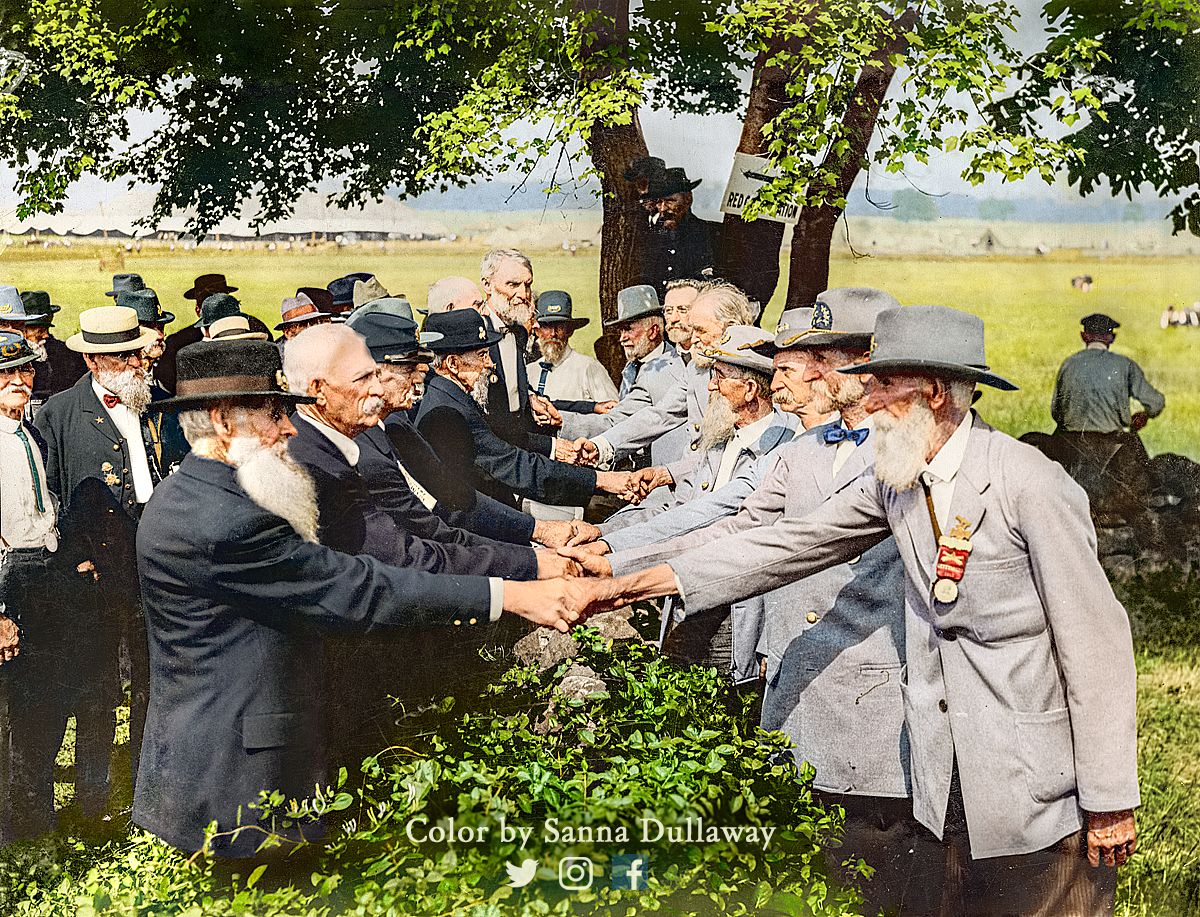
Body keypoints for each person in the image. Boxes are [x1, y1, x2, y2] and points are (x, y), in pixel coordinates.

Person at [565, 305, 1139, 915]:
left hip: (1037, 790)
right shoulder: (900, 480)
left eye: (884, 384)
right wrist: (626, 584)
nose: (866, 400)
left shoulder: (1031, 484)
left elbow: (1097, 648)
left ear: (936, 393)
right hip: (942, 780)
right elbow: (787, 543)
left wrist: (1108, 798)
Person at [133, 338, 578, 858]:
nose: (291, 430)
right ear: (223, 419)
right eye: (276, 414)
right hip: (241, 781)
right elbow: (360, 588)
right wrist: (511, 596)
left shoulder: (193, 493)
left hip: (217, 756)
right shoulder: (227, 520)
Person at [564, 290, 928, 914]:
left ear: (865, 364)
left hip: (873, 695)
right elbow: (736, 531)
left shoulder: (910, 452)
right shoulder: (800, 452)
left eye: (820, 357)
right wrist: (617, 561)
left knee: (880, 873)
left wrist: (621, 578)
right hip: (799, 684)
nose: (806, 371)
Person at [35, 305, 167, 817]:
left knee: (154, 680)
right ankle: (92, 802)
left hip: (155, 564)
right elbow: (46, 496)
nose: (135, 363)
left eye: (136, 352)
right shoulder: (59, 415)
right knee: (96, 686)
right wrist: (73, 560)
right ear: (92, 360)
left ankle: (146, 790)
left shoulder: (156, 404)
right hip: (93, 573)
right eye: (120, 356)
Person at [414, 309, 635, 510]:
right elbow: (513, 465)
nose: (491, 363)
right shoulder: (446, 413)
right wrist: (600, 480)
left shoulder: (451, 397)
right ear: (453, 364)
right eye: (482, 355)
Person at [0, 332, 81, 841]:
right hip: (9, 580)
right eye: (5, 375)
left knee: (43, 707)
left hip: (44, 577)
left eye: (25, 371)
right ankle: (15, 835)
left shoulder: (27, 433)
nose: (19, 382)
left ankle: (36, 820)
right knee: (11, 716)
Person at [579, 281, 757, 486]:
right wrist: (603, 445)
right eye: (669, 311)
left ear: (729, 327)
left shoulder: (762, 372)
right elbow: (661, 414)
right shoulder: (696, 370)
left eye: (700, 330)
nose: (694, 337)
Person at [560, 285, 688, 466]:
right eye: (621, 331)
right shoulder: (630, 369)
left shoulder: (678, 367)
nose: (622, 338)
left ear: (653, 331)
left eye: (628, 329)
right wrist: (561, 422)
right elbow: (617, 420)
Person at [477, 249, 560, 455]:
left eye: (528, 285)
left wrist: (531, 397)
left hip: (522, 444)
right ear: (487, 285)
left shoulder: (519, 332)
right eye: (512, 285)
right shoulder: (477, 337)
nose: (523, 295)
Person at [527, 291, 617, 409]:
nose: (553, 334)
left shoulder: (588, 367)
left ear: (570, 330)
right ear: (537, 330)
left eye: (559, 326)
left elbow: (614, 414)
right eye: (547, 326)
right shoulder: (530, 371)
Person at [640, 167, 720, 299]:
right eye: (659, 202)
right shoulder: (650, 238)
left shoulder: (710, 234)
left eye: (670, 200)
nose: (663, 208)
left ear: (688, 199)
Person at [6, 289, 88, 416]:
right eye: (39, 331)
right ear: (22, 331)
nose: (46, 335)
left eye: (47, 329)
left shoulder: (67, 353)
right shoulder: (7, 360)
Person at [663, 278, 702, 354]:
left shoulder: (720, 361)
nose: (673, 319)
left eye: (683, 310)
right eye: (669, 310)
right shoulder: (656, 365)